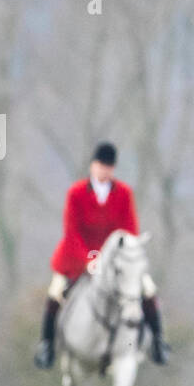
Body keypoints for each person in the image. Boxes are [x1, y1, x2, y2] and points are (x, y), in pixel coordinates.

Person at [33, 142, 170, 368]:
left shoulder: (124, 193)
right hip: (76, 257)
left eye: (108, 167)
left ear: (113, 169)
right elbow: (71, 232)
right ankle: (46, 346)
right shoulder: (76, 193)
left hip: (115, 261)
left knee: (147, 288)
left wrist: (114, 258)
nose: (104, 171)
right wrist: (89, 260)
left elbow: (129, 231)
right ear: (92, 166)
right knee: (55, 291)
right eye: (100, 166)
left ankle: (158, 341)